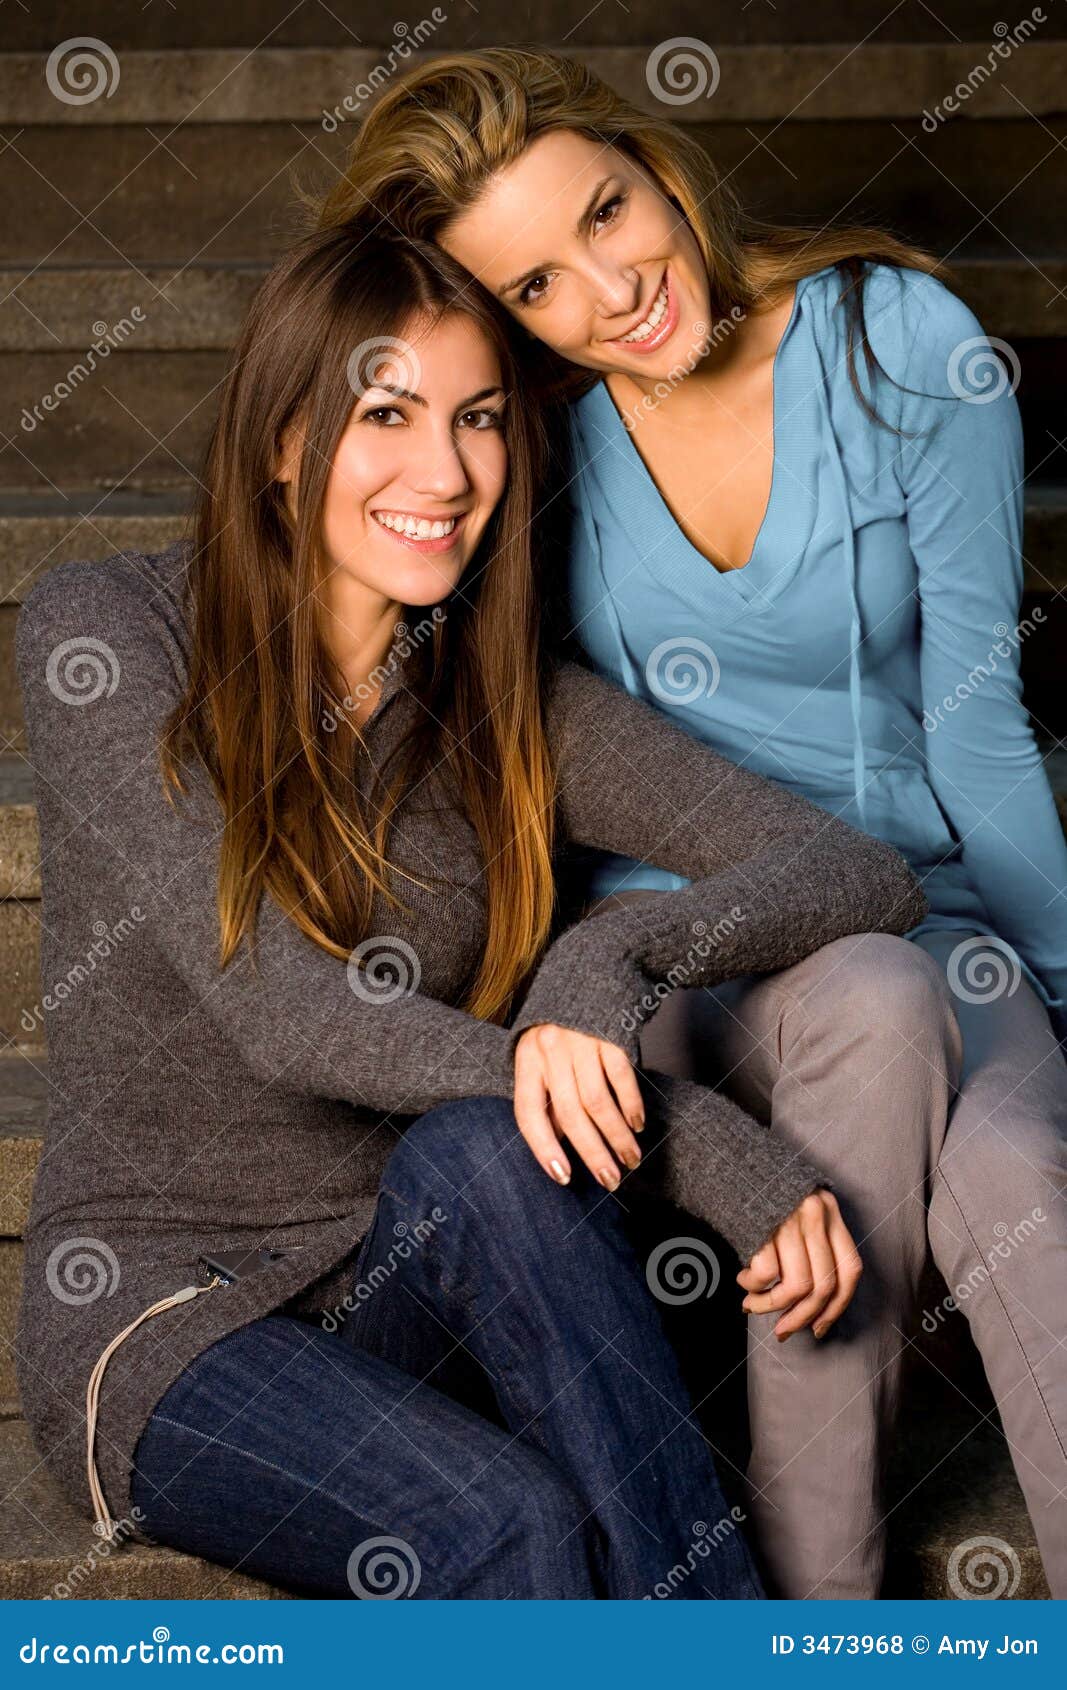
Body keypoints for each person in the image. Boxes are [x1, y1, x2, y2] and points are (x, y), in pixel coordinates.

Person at [14, 223, 929, 1601]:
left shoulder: (507, 705)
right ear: (280, 438)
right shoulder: (112, 637)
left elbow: (860, 869)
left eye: (480, 419)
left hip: (409, 1279)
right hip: (163, 1320)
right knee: (511, 1521)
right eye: (386, 414)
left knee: (485, 1154)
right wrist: (714, 1151)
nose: (442, 474)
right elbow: (280, 1006)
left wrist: (606, 952)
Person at [318, 45, 1067, 1599]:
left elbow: (984, 726)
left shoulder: (899, 348)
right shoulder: (526, 458)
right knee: (870, 990)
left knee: (1019, 1181)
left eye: (606, 211)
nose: (610, 287)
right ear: (502, 324)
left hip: (934, 917)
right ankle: (805, 1615)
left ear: (655, 165)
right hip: (680, 968)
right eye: (535, 286)